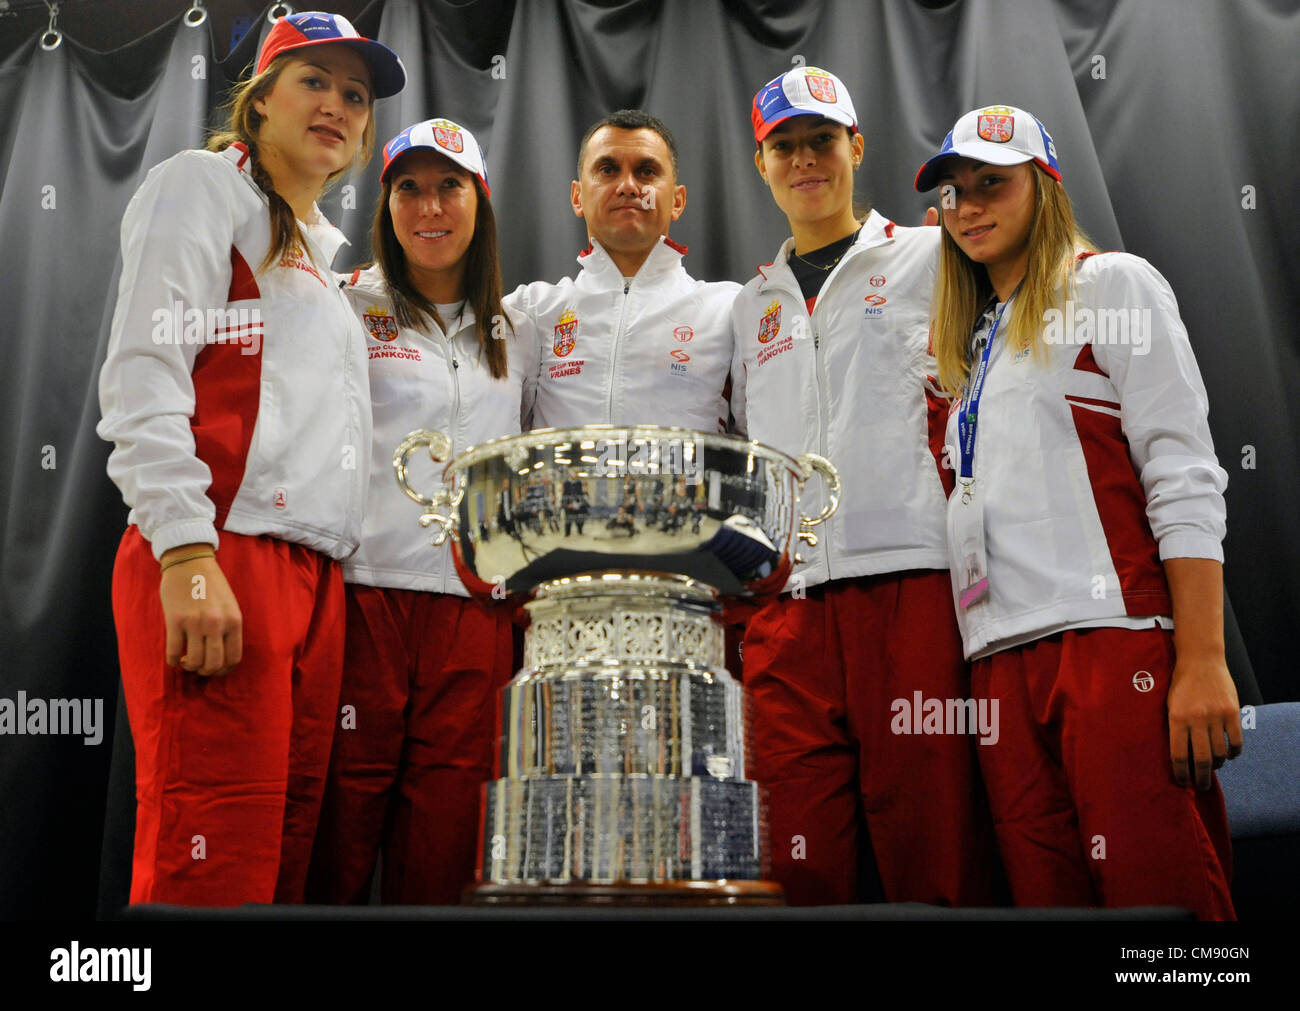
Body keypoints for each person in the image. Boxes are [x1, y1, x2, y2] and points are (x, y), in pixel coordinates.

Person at [96, 11, 404, 906]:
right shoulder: (201, 187)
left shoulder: (318, 259)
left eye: (355, 96)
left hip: (314, 578)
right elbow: (143, 374)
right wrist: (186, 551)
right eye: (314, 82)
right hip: (222, 550)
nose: (338, 107)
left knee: (277, 857)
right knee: (213, 859)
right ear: (260, 99)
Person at [916, 104, 1240, 919]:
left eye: (994, 182)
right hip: (995, 661)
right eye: (953, 193)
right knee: (1048, 905)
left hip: (1110, 647)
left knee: (1162, 913)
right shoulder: (966, 347)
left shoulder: (1112, 284)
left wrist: (1202, 659)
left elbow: (1184, 471)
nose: (970, 206)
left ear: (1046, 185)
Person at [728, 67, 1000, 906]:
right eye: (785, 146)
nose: (805, 159)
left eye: (821, 140)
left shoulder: (934, 252)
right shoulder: (750, 305)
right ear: (762, 164)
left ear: (857, 146)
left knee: (933, 845)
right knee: (794, 861)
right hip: (790, 609)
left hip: (909, 590)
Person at [304, 119, 537, 905]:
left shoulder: (516, 329)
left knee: (445, 855)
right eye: (409, 186)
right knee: (335, 837)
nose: (429, 206)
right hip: (363, 600)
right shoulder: (341, 305)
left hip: (476, 614)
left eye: (449, 186)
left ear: (481, 201)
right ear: (385, 202)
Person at [515, 109, 739, 432]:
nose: (628, 186)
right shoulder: (530, 311)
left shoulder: (729, 309)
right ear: (577, 197)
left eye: (647, 171)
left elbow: (760, 443)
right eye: (607, 170)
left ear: (678, 201)